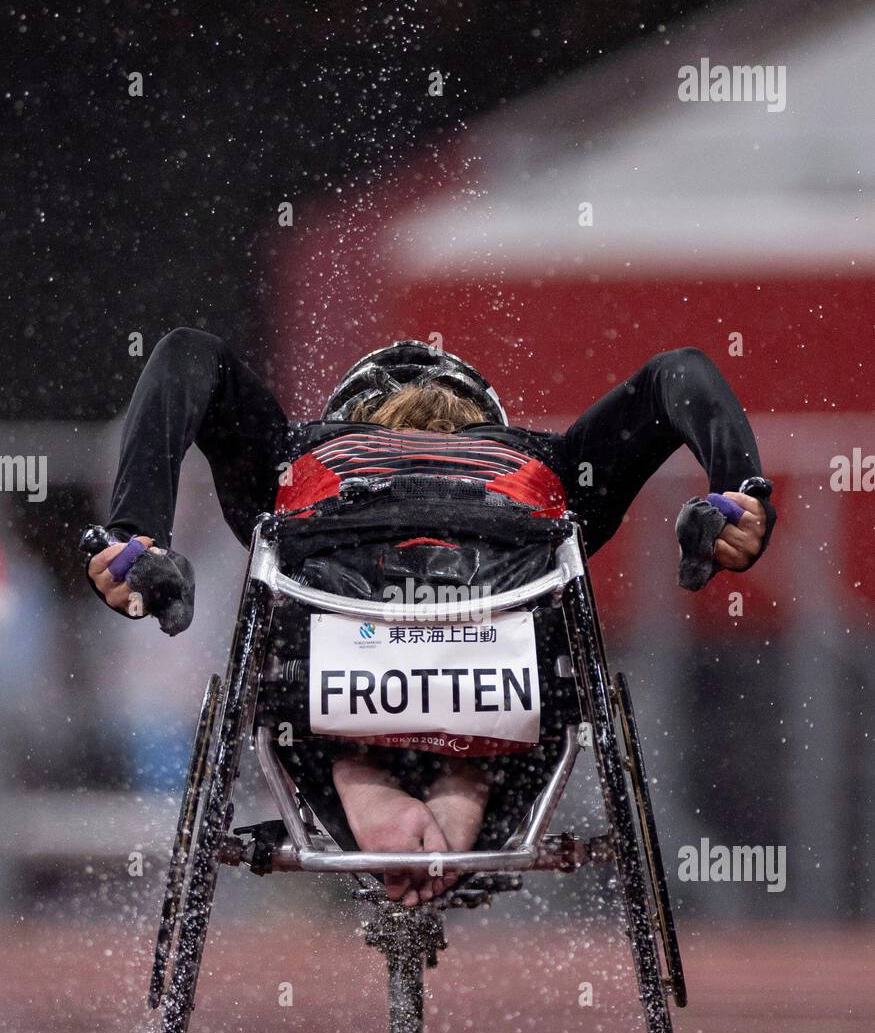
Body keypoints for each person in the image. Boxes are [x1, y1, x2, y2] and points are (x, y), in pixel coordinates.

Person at [86, 330, 775, 906]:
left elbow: (185, 353)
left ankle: (358, 774)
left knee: (295, 633)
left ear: (349, 413)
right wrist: (739, 494)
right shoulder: (546, 461)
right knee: (540, 643)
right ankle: (466, 780)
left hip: (323, 680)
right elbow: (678, 372)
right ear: (486, 421)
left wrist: (133, 533)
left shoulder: (293, 455)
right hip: (512, 682)